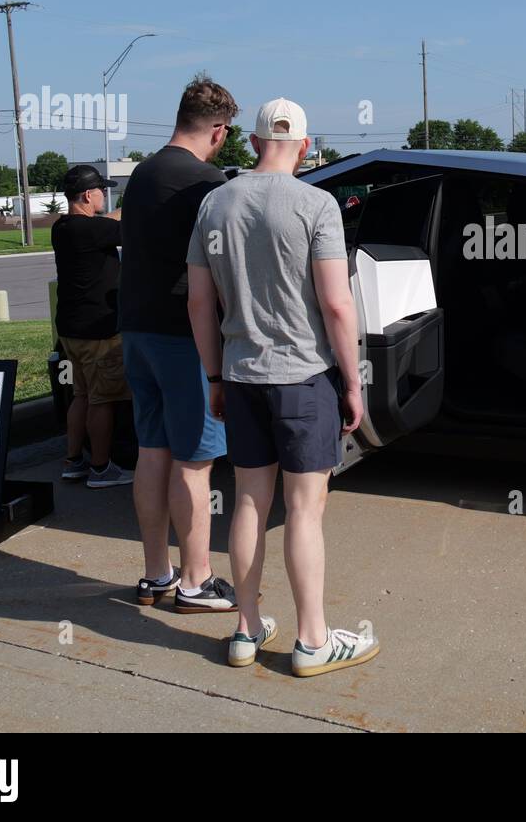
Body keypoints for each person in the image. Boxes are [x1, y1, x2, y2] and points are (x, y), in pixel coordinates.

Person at [187, 98, 378, 676]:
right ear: (306, 145)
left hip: (242, 377)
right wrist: (352, 382)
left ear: (250, 143)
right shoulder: (317, 204)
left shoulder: (214, 205)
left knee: (247, 502)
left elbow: (200, 301)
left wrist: (215, 375)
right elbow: (337, 305)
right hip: (303, 379)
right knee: (303, 512)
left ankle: (245, 630)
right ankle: (313, 641)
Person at [120, 73, 241, 611]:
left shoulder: (141, 175)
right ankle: (196, 581)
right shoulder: (205, 183)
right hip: (183, 335)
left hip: (137, 330)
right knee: (194, 461)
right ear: (217, 130)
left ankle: (156, 575)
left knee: (152, 452)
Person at [51, 165, 132, 489]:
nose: (104, 195)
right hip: (98, 330)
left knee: (81, 395)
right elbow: (129, 228)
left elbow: (107, 221)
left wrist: (119, 212)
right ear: (88, 194)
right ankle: (101, 468)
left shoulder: (64, 227)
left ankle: (74, 460)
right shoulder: (92, 231)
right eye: (100, 190)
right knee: (103, 400)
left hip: (70, 329)